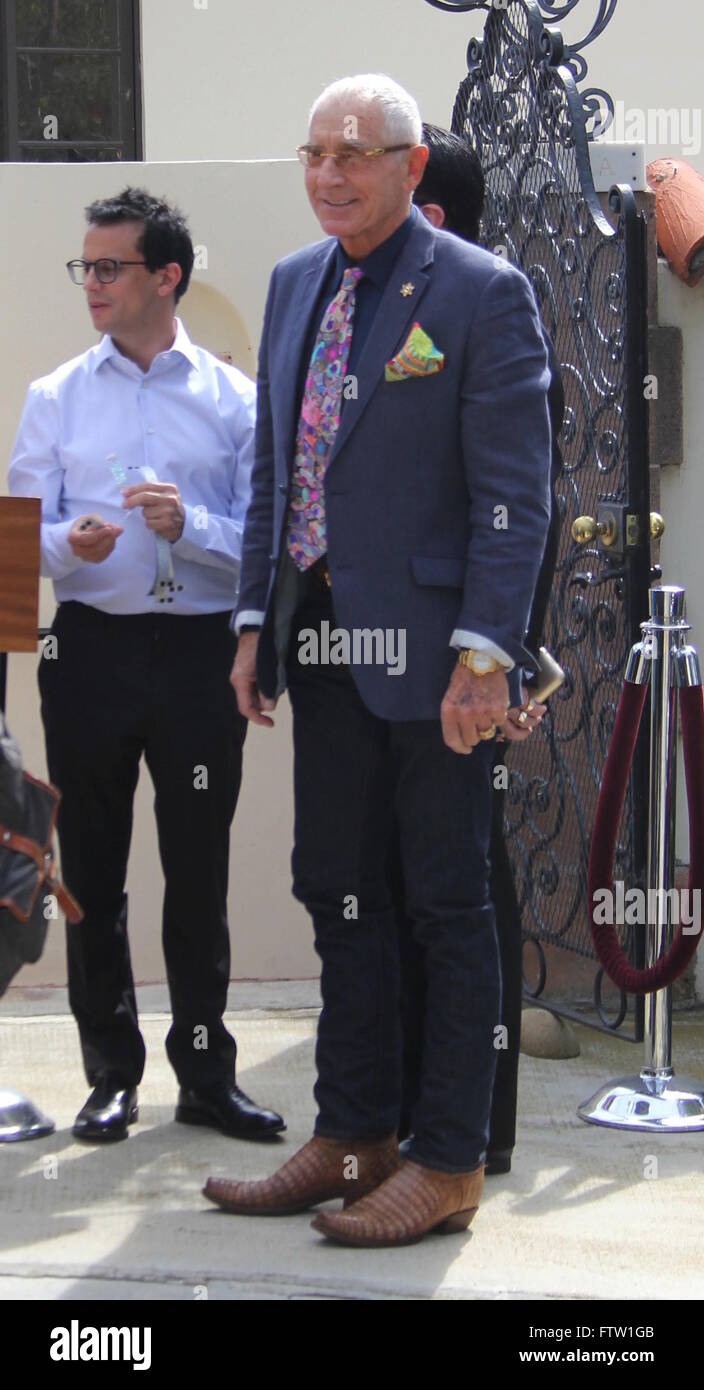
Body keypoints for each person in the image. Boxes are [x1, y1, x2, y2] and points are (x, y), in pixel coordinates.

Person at [204, 74, 551, 1246]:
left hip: (437, 659)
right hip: (322, 641)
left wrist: (486, 654)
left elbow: (514, 495)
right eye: (312, 152)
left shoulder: (480, 291)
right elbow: (278, 476)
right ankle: (354, 1133)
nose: (328, 173)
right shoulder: (295, 280)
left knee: (444, 901)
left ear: (410, 168)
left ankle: (447, 1158)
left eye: (354, 152)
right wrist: (257, 621)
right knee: (334, 886)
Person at [9, 187, 284, 1144]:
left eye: (110, 266)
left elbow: (267, 538)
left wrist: (190, 526)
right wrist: (60, 549)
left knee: (198, 869)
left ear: (166, 276)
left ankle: (207, 1075)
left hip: (204, 656)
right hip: (90, 653)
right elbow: (15, 544)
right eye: (86, 265)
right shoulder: (54, 397)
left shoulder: (236, 399)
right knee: (92, 868)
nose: (92, 281)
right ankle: (109, 1076)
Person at [392, 124, 566, 1173]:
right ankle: (427, 1104)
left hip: (466, 670)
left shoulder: (487, 318)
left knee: (464, 886)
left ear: (429, 212)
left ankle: (475, 1129)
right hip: (400, 665)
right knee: (418, 883)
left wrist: (502, 660)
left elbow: (518, 506)